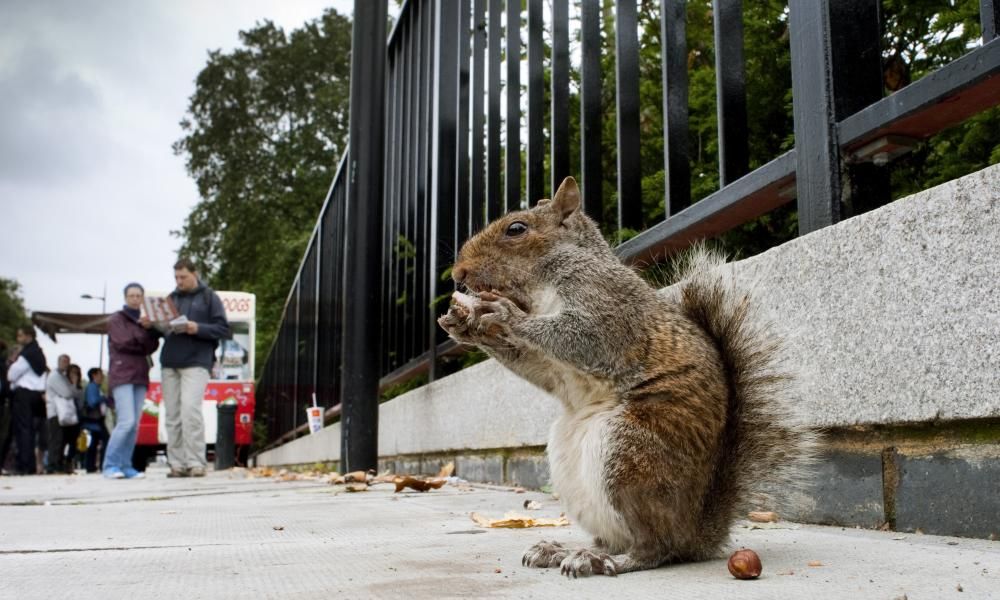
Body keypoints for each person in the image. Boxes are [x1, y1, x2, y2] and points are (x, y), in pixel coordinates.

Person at [157, 259, 229, 478]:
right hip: (170, 361)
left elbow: (222, 329)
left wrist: (196, 328)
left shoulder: (209, 298)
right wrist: (152, 325)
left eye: (183, 277)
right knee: (172, 414)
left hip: (197, 361)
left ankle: (196, 462)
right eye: (176, 277)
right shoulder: (170, 299)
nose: (179, 281)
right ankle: (176, 463)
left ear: (194, 273)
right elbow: (161, 331)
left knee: (190, 410)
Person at [103, 283, 160, 479]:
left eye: (138, 296)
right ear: (125, 297)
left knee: (135, 424)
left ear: (142, 299)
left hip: (140, 375)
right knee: (125, 422)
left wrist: (148, 332)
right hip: (122, 375)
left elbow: (152, 345)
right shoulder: (116, 319)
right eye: (131, 295)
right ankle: (110, 464)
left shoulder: (146, 322)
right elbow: (124, 342)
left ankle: (126, 465)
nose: (135, 299)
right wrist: (143, 332)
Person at [7, 325, 48, 475]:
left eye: (20, 336)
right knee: (30, 430)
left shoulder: (26, 355)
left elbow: (12, 375)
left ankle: (24, 464)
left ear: (28, 336)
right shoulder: (39, 353)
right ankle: (28, 464)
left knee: (23, 430)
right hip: (36, 395)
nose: (19, 339)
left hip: (24, 394)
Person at [44, 354, 79, 473]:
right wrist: (73, 385)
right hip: (55, 412)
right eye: (64, 361)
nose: (66, 364)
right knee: (56, 439)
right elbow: (67, 393)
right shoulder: (55, 376)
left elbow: (73, 393)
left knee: (61, 439)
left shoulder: (62, 376)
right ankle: (52, 465)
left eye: (67, 362)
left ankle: (58, 463)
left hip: (62, 413)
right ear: (58, 361)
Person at [81, 368, 110, 473]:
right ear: (94, 375)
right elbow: (92, 402)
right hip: (94, 420)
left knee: (94, 443)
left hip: (95, 420)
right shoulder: (92, 387)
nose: (102, 376)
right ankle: (99, 464)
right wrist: (103, 398)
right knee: (103, 441)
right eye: (100, 374)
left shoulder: (96, 387)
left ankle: (91, 465)